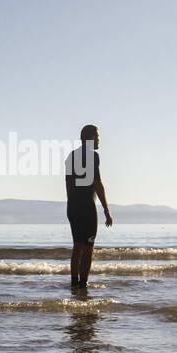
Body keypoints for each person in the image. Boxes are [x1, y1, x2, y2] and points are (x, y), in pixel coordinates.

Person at [64, 124, 112, 289]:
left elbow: (68, 184)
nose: (99, 140)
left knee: (77, 245)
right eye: (97, 137)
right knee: (88, 247)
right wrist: (106, 210)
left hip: (73, 207)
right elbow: (97, 184)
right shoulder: (93, 156)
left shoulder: (72, 156)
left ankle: (73, 284)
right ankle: (83, 285)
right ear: (91, 138)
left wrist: (71, 205)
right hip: (87, 208)